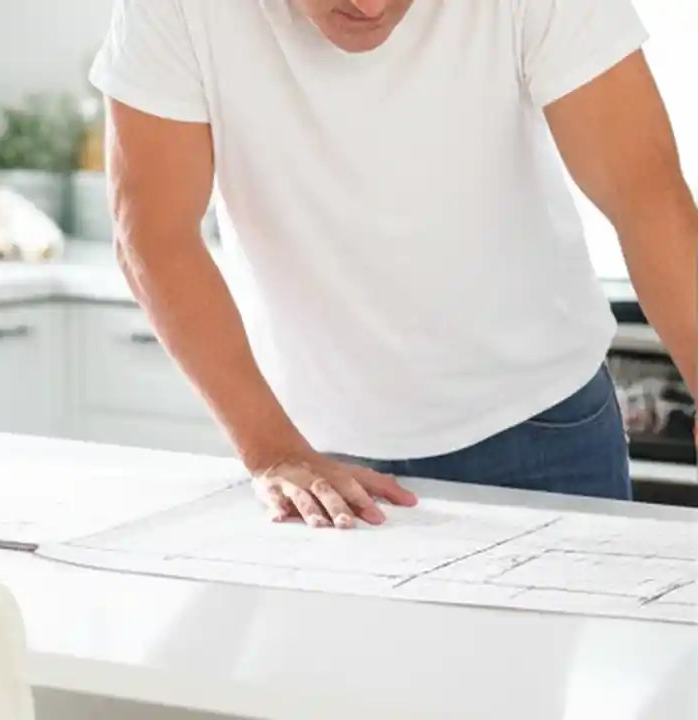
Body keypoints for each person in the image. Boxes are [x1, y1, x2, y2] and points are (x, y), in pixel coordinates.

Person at [91, 0, 697, 529]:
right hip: (315, 449)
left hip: (545, 427)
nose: (371, 6)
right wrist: (271, 449)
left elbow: (646, 197)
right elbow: (154, 237)